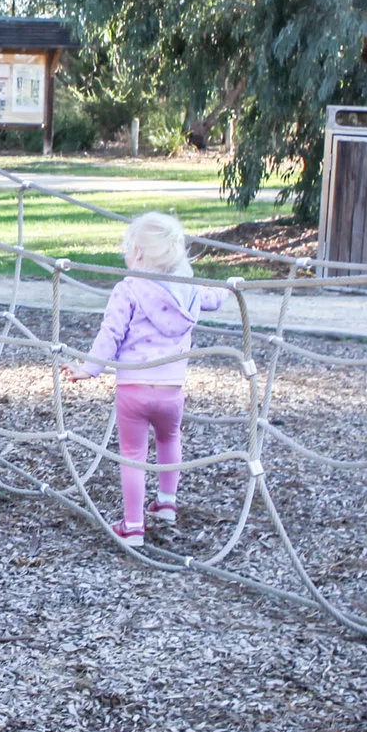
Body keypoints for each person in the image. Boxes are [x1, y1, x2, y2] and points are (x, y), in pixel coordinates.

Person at [75, 211, 228, 541]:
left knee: (132, 454)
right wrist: (230, 289)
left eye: (128, 248)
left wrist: (90, 367)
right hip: (171, 390)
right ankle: (167, 503)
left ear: (139, 253)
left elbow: (110, 334)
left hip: (134, 388)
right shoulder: (187, 290)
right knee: (169, 439)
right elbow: (214, 299)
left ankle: (132, 525)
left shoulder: (128, 289)